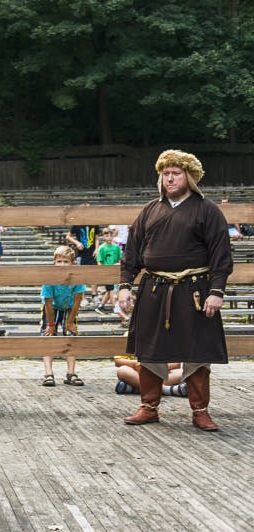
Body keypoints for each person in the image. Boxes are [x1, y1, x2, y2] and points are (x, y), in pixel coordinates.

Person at [118, 149, 231, 431]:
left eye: (176, 173)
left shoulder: (207, 210)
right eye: (165, 174)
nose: (169, 179)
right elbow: (132, 252)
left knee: (197, 351)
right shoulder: (150, 210)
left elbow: (221, 255)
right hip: (154, 288)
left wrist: (216, 292)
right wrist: (124, 286)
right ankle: (149, 407)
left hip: (194, 291)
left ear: (189, 177)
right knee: (150, 350)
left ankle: (199, 411)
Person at [40, 245, 86, 387]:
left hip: (69, 308)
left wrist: (70, 322)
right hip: (52, 308)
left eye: (66, 261)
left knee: (71, 337)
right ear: (54, 263)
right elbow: (48, 303)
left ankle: (71, 373)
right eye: (59, 261)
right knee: (48, 338)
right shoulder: (49, 278)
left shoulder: (77, 277)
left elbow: (78, 300)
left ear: (73, 264)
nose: (62, 264)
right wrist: (52, 325)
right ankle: (48, 373)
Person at [114, 358, 187, 397]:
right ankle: (165, 389)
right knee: (122, 370)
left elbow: (176, 363)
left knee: (181, 372)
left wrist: (155, 367)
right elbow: (118, 361)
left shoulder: (167, 334)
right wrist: (135, 364)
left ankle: (135, 388)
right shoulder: (131, 334)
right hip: (137, 374)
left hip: (161, 374)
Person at [95, 228, 121, 313]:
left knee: (110, 290)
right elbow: (99, 261)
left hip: (115, 272)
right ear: (103, 237)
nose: (109, 237)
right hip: (107, 273)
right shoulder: (102, 248)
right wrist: (103, 272)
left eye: (111, 235)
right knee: (111, 290)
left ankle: (100, 306)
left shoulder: (116, 247)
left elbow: (119, 259)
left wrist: (119, 265)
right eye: (107, 236)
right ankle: (116, 308)